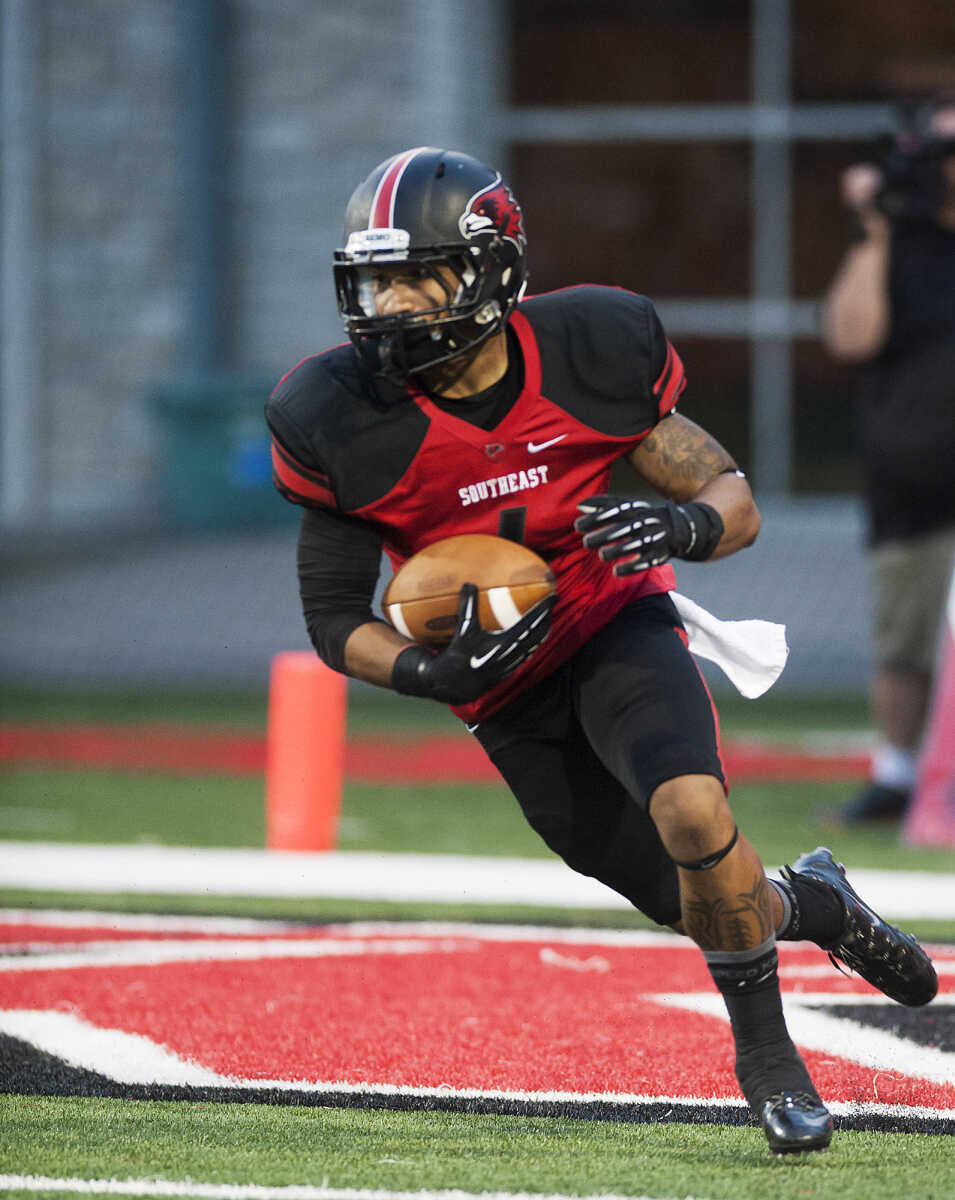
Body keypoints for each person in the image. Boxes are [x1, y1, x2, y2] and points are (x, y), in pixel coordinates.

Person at [266, 147, 937, 1154]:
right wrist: (428, 671)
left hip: (610, 619)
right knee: (695, 899)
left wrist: (679, 533)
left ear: (491, 268)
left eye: (417, 275)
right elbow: (332, 619)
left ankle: (766, 1059)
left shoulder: (591, 345)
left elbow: (731, 500)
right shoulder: (335, 413)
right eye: (376, 281)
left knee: (691, 809)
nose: (392, 305)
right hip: (501, 692)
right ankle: (815, 903)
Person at [822, 96, 955, 824]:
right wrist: (871, 229)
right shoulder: (895, 241)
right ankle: (898, 773)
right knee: (903, 638)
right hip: (915, 479)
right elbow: (849, 337)